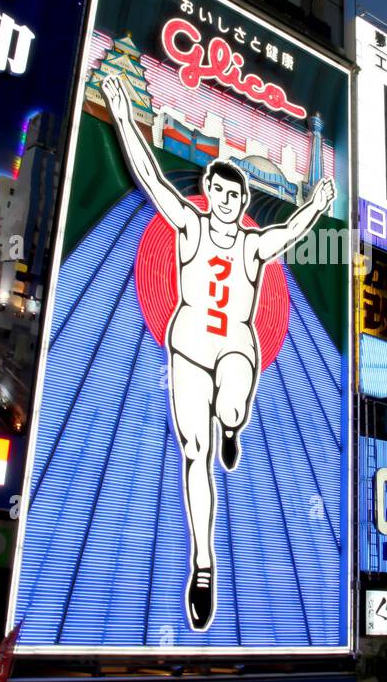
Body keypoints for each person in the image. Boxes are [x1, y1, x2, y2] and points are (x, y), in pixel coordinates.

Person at [101, 75, 335, 630]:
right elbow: (151, 177)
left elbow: (292, 230)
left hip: (234, 346)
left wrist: (321, 203)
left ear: (244, 201)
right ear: (210, 191)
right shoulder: (188, 226)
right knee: (193, 454)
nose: (229, 202)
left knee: (232, 399)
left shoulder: (254, 245)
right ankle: (202, 562)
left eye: (237, 196)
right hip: (187, 348)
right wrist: (119, 110)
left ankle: (235, 424)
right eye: (222, 193)